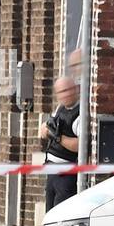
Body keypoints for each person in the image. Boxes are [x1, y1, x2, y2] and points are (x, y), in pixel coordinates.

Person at [40, 76, 81, 209]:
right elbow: (45, 128)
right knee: (49, 214)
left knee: (60, 216)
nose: (66, 94)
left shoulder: (80, 114)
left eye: (68, 90)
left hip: (66, 175)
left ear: (76, 89)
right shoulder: (60, 109)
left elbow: (80, 145)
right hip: (52, 171)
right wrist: (47, 130)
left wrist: (58, 138)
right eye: (61, 92)